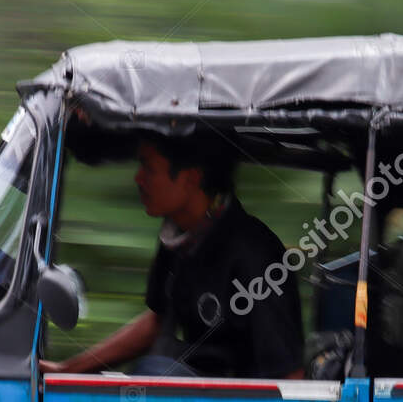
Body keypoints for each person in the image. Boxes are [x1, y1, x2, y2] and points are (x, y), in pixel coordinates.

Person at [42, 138, 304, 378]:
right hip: (195, 392)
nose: (138, 178)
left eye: (148, 168)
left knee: (153, 373)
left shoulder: (254, 254)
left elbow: (290, 375)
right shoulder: (178, 235)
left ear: (190, 178)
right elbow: (157, 321)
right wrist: (68, 370)